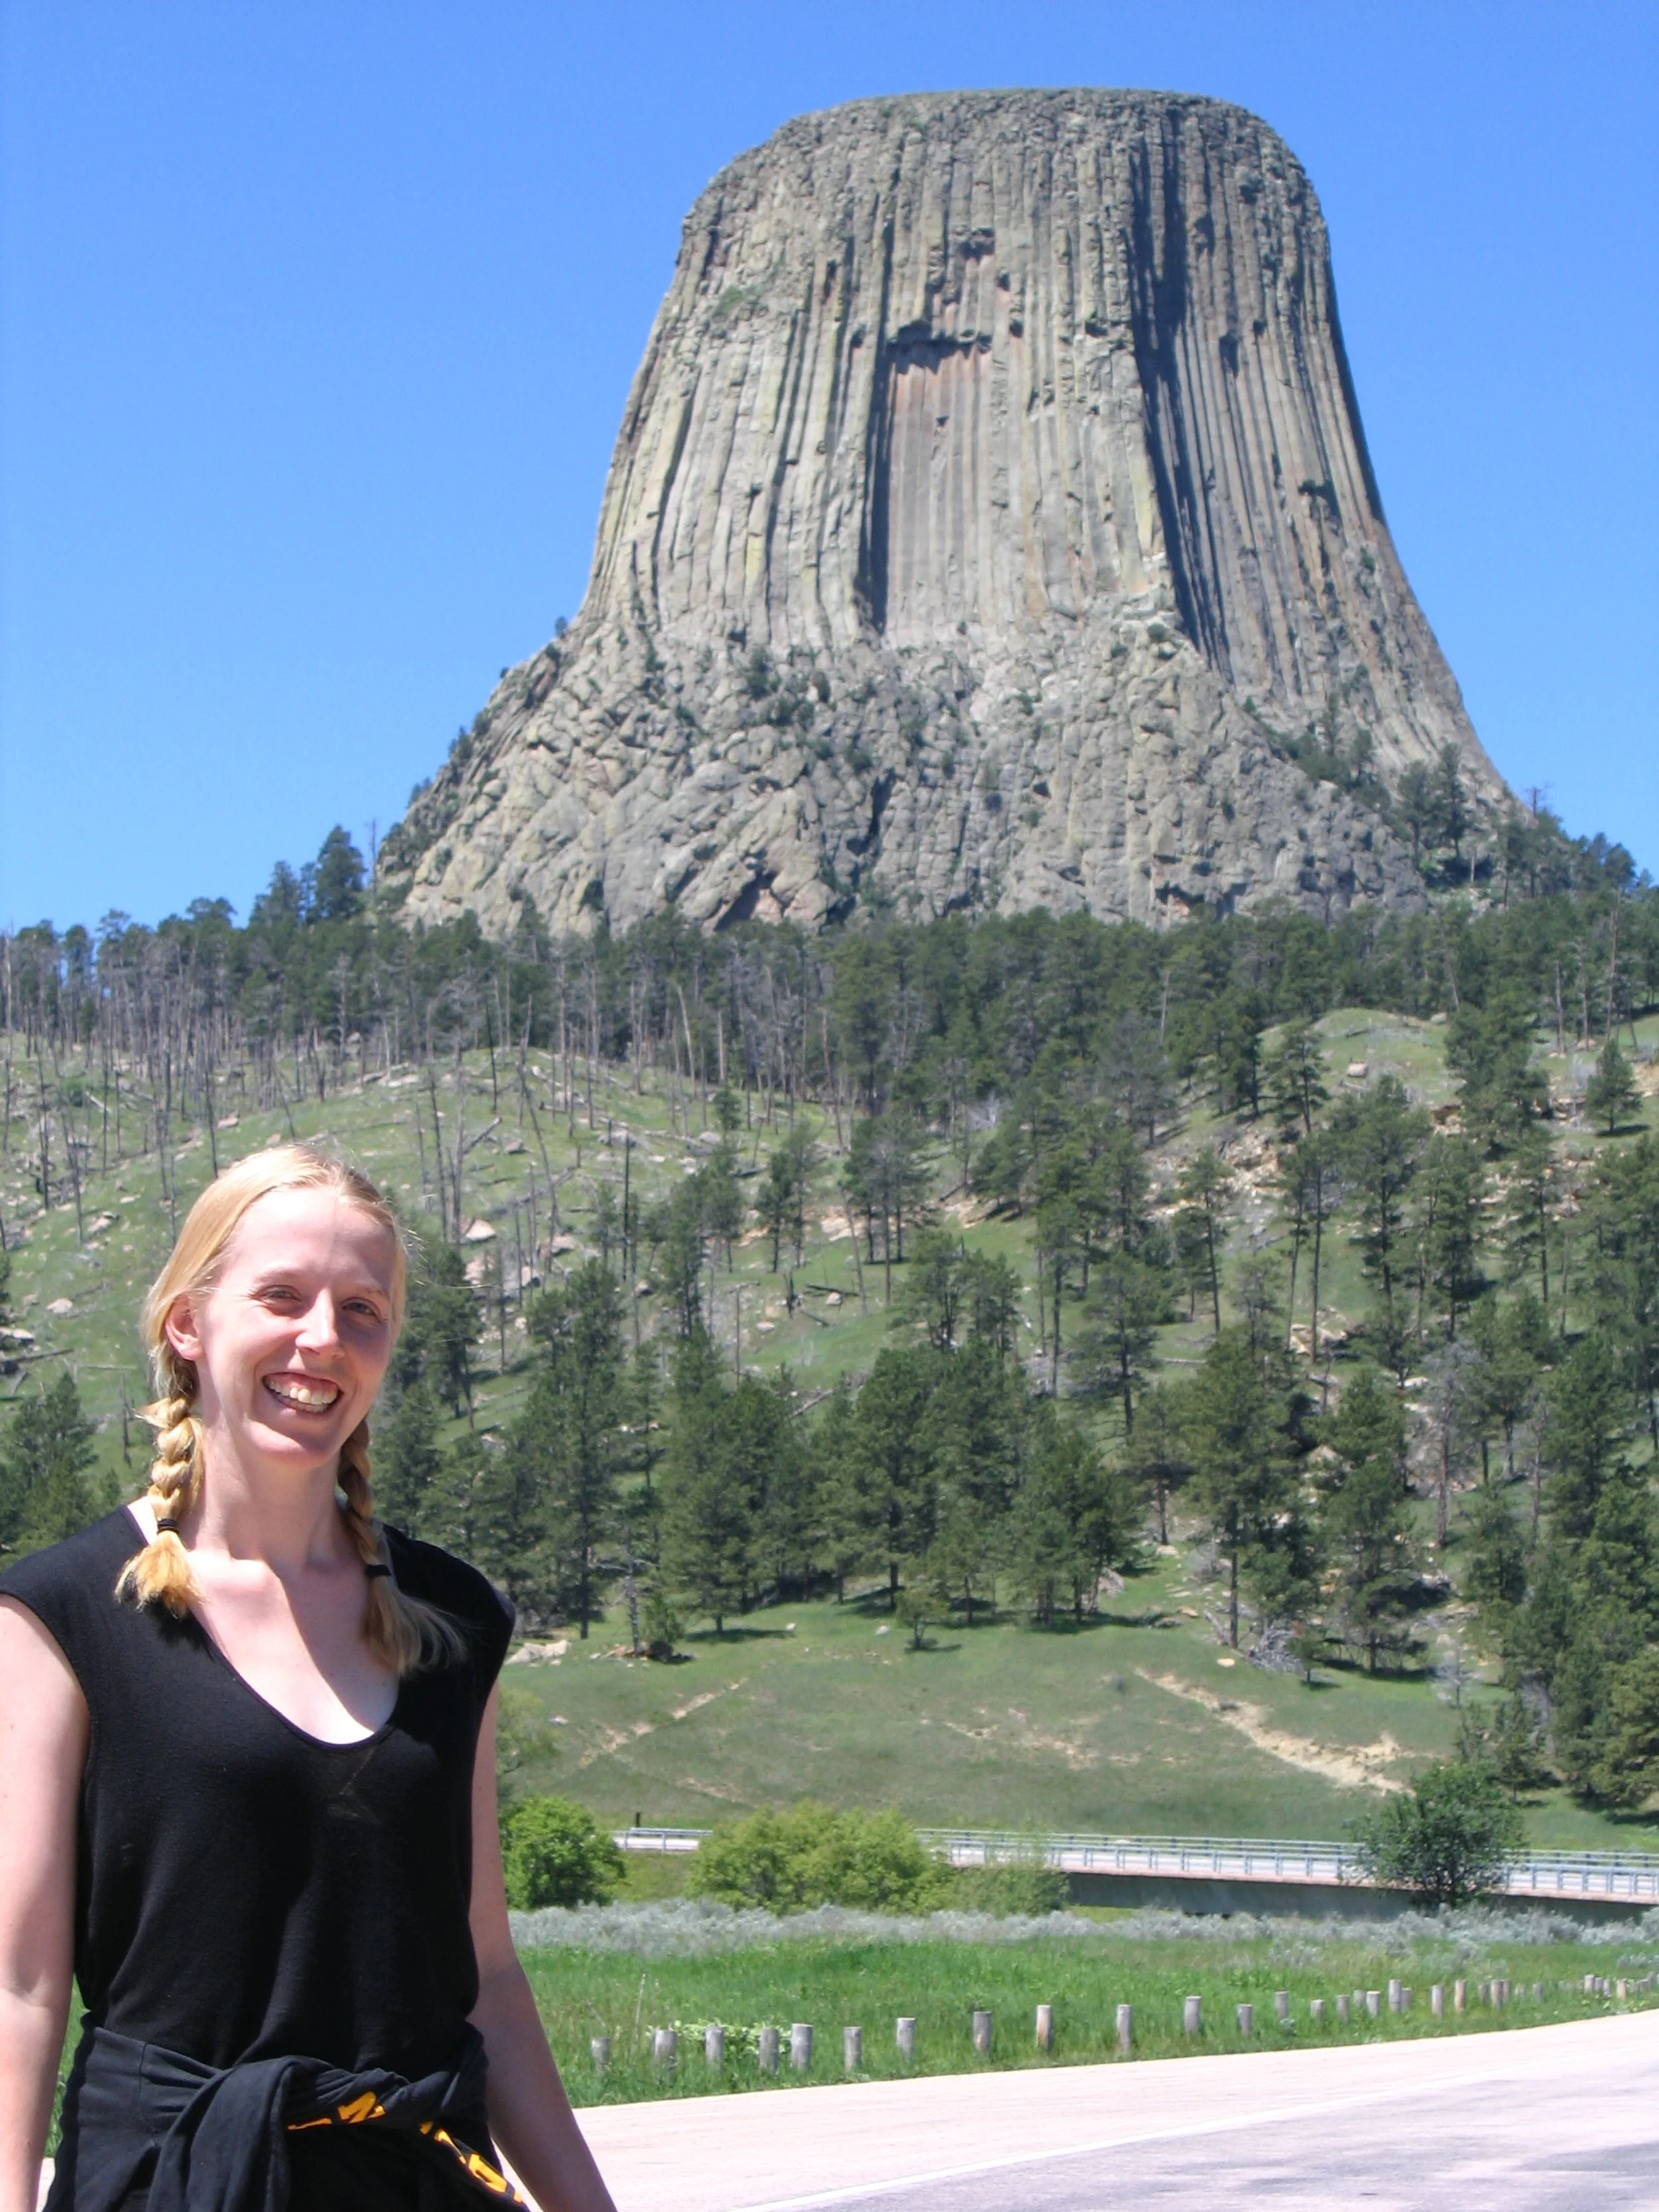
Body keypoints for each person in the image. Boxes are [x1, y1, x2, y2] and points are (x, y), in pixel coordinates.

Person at [0, 1145, 616, 2212]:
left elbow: (490, 1977)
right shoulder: (60, 1614)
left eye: (362, 1308)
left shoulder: (455, 1621)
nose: (321, 1340)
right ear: (188, 1325)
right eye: (281, 1296)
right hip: (170, 2181)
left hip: (415, 2176)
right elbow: (18, 1988)